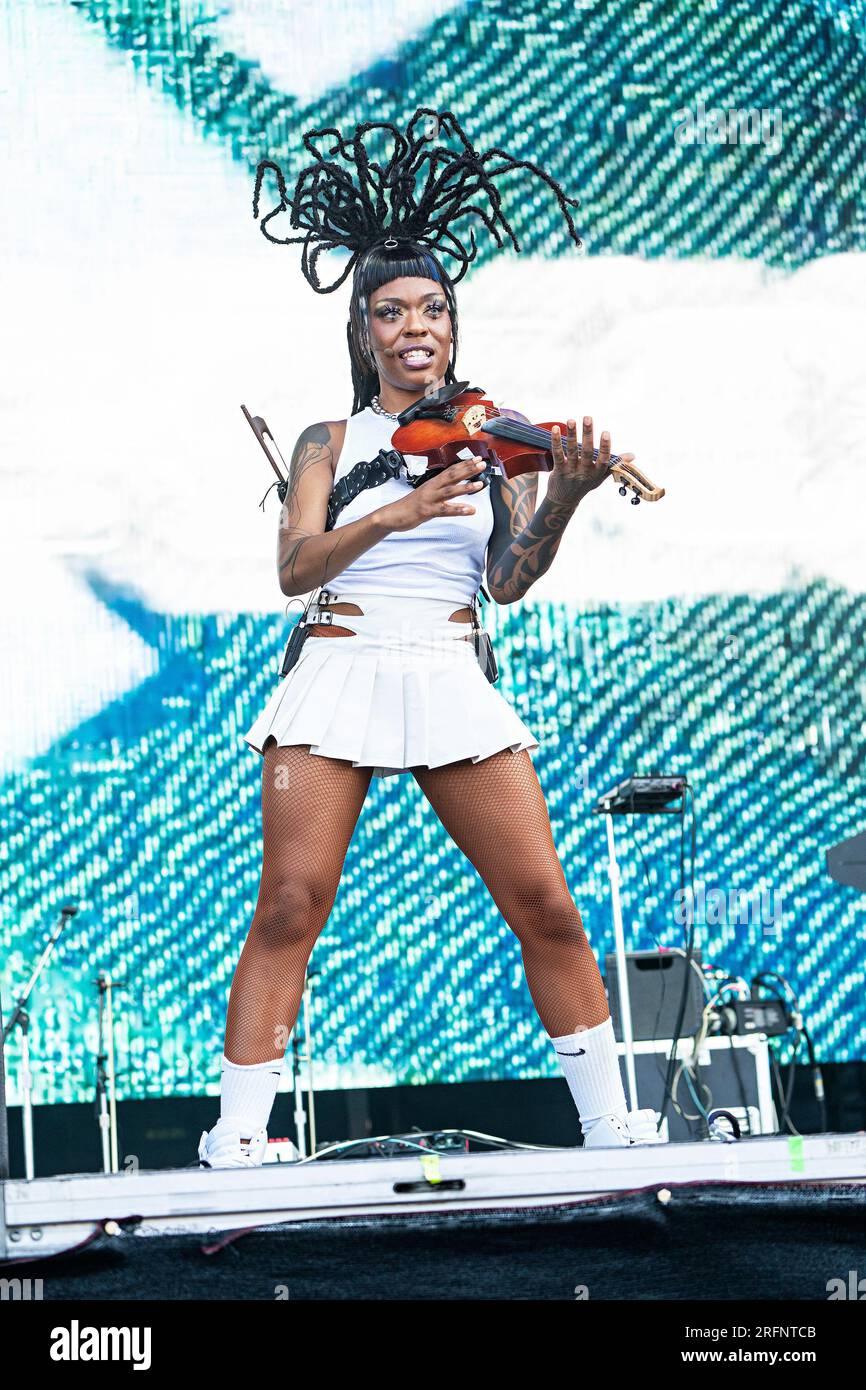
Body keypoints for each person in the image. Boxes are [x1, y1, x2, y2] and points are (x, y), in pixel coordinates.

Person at [199, 109, 662, 1168]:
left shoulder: (492, 441)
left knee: (541, 899)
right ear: (363, 330)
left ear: (451, 329)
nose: (416, 328)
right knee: (288, 902)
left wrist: (564, 500)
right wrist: (400, 511)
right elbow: (293, 571)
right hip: (340, 663)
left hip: (448, 666)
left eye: (433, 311)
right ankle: (235, 1137)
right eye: (393, 311)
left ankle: (608, 1126)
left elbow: (505, 580)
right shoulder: (331, 438)